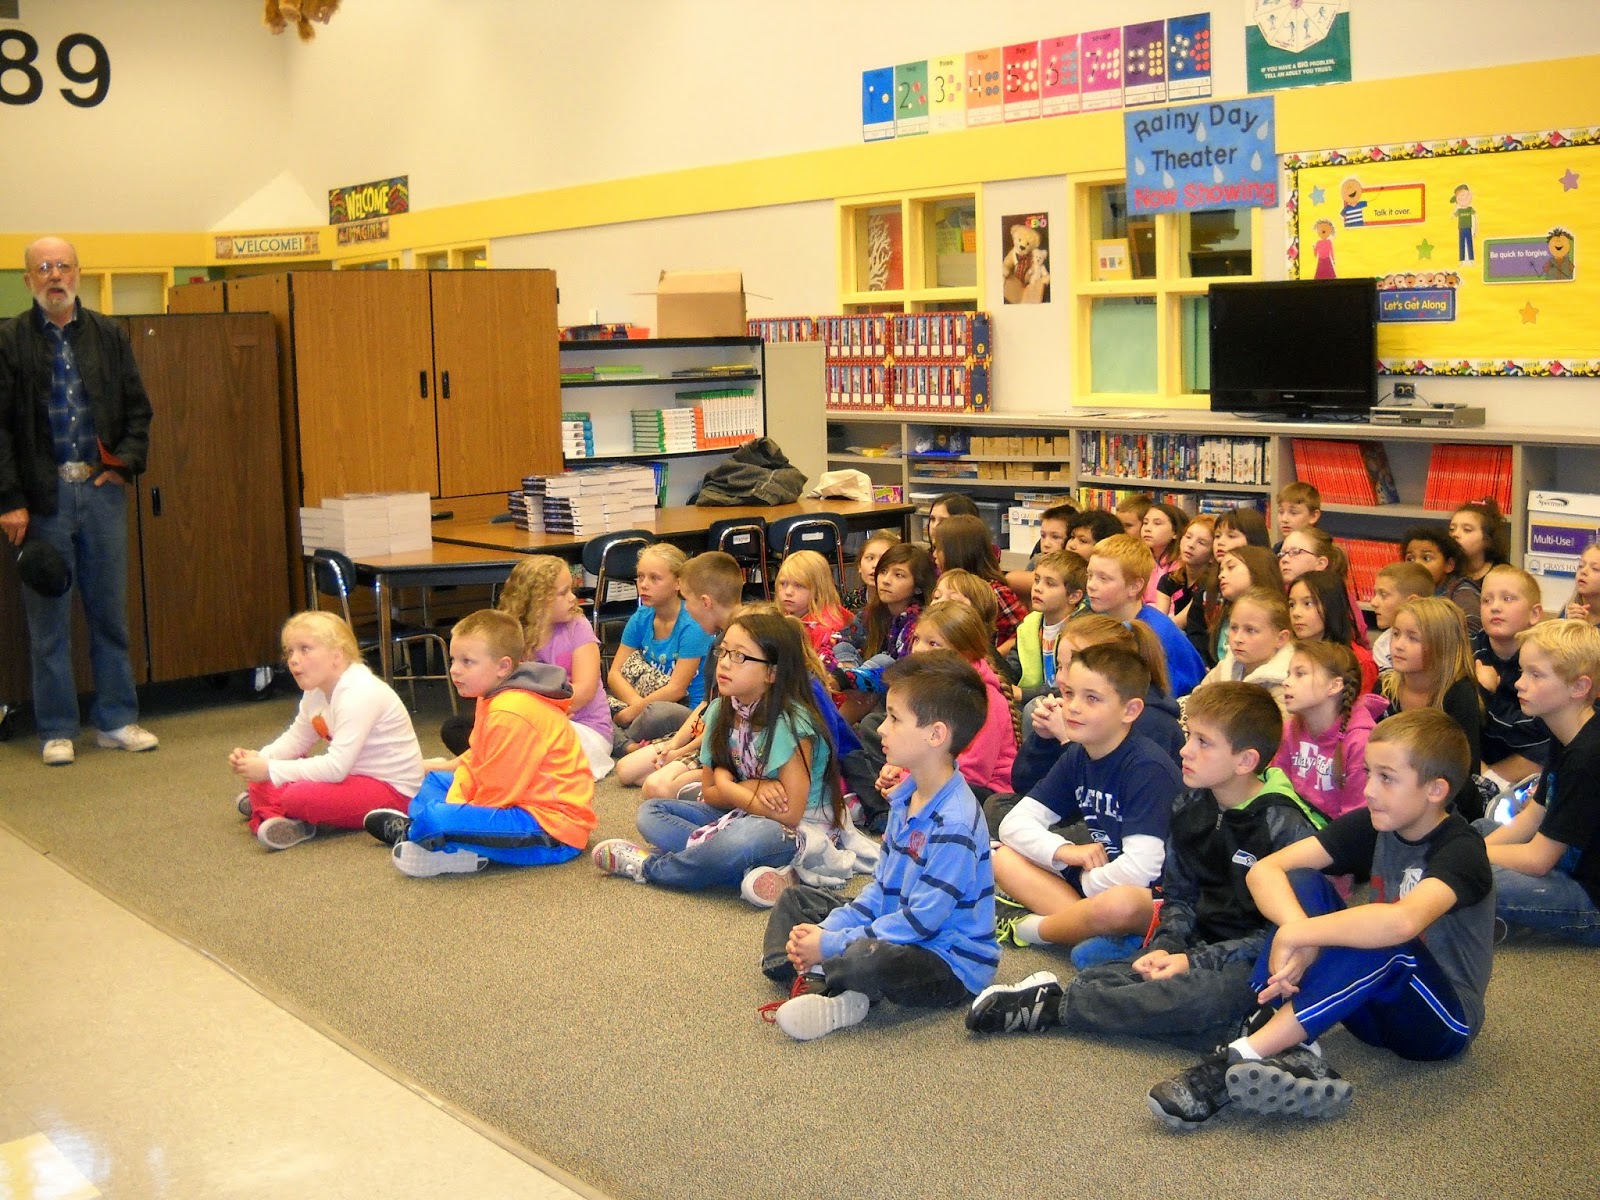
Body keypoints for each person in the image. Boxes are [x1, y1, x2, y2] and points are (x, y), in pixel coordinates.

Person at [1146, 709, 1491, 1130]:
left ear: (1436, 790)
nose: (1369, 790)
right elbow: (1266, 870)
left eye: (1387, 778)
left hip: (1439, 1023)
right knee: (1302, 882)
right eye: (1368, 773)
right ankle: (1285, 1038)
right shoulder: (1375, 823)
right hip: (1366, 1011)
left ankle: (1238, 1057)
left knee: (1383, 934)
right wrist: (1299, 930)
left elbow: (1402, 924)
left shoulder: (1463, 850)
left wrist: (1299, 932)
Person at [967, 683, 1324, 1048]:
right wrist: (1167, 947)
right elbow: (1180, 899)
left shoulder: (1283, 825)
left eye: (1203, 742)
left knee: (1203, 997)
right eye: (1189, 737)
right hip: (1197, 943)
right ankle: (1246, 1035)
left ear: (1246, 761)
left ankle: (1056, 1008)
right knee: (1104, 976)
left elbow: (1281, 934)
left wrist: (1192, 962)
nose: (1185, 750)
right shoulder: (1189, 805)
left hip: (1254, 960)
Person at [758, 651, 998, 1041]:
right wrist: (831, 927)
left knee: (868, 959)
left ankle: (828, 985)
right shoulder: (906, 796)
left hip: (946, 959)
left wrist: (832, 942)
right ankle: (816, 970)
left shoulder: (954, 822)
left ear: (936, 735)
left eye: (894, 718)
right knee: (795, 902)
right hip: (895, 922)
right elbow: (881, 891)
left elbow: (921, 923)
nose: (881, 729)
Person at [0, 237, 158, 766]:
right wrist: (10, 499)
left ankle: (116, 719)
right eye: (42, 268)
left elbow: (138, 411)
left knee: (109, 611)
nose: (54, 276)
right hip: (41, 500)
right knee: (48, 619)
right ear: (27, 281)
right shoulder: (10, 341)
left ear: (79, 274)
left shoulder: (109, 336)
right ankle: (57, 728)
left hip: (99, 491)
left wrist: (122, 465)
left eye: (63, 266)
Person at [591, 611, 845, 903]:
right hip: (741, 812)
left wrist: (730, 786)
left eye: (740, 656)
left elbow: (790, 814)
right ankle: (749, 868)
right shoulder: (719, 712)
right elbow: (711, 793)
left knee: (744, 838)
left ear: (772, 673)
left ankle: (652, 868)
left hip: (795, 829)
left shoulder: (789, 724)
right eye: (724, 651)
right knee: (651, 813)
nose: (724, 663)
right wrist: (743, 788)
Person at [368, 609, 597, 877]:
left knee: (436, 818)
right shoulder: (490, 695)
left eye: (467, 662)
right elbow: (476, 759)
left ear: (503, 666)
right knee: (435, 782)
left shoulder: (511, 711)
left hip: (552, 827)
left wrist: (455, 811)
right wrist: (458, 802)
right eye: (453, 659)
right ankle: (450, 845)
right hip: (516, 802)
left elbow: (498, 794)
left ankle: (415, 832)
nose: (455, 670)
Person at [990, 645, 1182, 958]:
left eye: (1091, 698)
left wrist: (1083, 879)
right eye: (1068, 694)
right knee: (1001, 857)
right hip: (1099, 878)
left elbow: (1142, 869)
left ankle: (1031, 929)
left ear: (1130, 710)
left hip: (1151, 896)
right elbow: (1015, 824)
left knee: (1118, 904)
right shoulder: (1080, 754)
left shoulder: (1146, 767)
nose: (1072, 708)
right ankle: (1093, 932)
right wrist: (1065, 852)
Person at [230, 611, 424, 851]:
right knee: (269, 772)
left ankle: (275, 812)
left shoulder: (359, 693)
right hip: (352, 777)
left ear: (337, 655)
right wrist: (259, 759)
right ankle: (280, 815)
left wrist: (270, 770)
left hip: (392, 791)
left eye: (305, 649)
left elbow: (335, 768)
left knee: (294, 795)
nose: (293, 660)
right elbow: (296, 739)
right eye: (289, 651)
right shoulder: (316, 689)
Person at [1480, 619, 1600, 945]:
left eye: (1536, 674)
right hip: (1560, 862)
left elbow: (1537, 860)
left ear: (1579, 687)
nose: (1519, 683)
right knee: (1477, 830)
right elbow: (1533, 815)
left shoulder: (1589, 755)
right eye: (1521, 672)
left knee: (1475, 873)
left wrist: (1469, 856)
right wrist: (1473, 848)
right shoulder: (1564, 731)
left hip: (1590, 897)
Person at [491, 555, 614, 779]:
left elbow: (583, 693)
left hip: (585, 728)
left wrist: (540, 715)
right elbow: (500, 688)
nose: (572, 598)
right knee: (471, 729)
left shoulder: (578, 626)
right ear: (538, 600)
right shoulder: (513, 634)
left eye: (571, 590)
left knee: (523, 747)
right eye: (563, 592)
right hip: (529, 722)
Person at [1381, 596, 1484, 819]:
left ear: (1441, 646)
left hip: (1448, 807)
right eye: (1396, 634)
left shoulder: (1459, 695)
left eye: (1413, 638)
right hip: (1391, 797)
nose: (1398, 645)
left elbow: (1464, 774)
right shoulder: (1384, 688)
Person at [607, 543, 715, 751]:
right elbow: (614, 673)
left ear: (678, 583)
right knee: (593, 701)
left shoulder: (692, 625)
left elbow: (676, 690)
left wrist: (633, 712)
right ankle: (629, 744)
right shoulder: (641, 617)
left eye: (654, 578)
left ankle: (620, 741)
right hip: (643, 704)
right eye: (640, 577)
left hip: (686, 710)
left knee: (657, 714)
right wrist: (637, 706)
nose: (644, 585)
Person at [1273, 641, 1387, 825]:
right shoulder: (1291, 728)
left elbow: (1355, 821)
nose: (1286, 682)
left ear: (1334, 686)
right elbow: (1277, 788)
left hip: (1336, 839)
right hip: (1294, 828)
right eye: (1288, 674)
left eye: (1300, 674)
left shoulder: (1360, 742)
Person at [1085, 533, 1207, 698]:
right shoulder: (1106, 620)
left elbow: (1163, 698)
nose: (1091, 585)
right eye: (1090, 575)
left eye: (1104, 579)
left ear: (1135, 586)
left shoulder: (1152, 634)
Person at [1473, 564, 1550, 791]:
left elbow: (1539, 731)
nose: (1495, 607)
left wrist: (1485, 694)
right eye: (1487, 600)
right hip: (1478, 757)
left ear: (1534, 614)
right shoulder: (1469, 653)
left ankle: (1489, 783)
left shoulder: (1546, 659)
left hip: (1527, 760)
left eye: (1507, 599)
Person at [932, 514, 1027, 654]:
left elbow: (1023, 635)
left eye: (938, 549)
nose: (934, 554)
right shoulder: (943, 586)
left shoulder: (995, 592)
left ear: (956, 552)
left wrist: (991, 658)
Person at [1008, 550, 1088, 709]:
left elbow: (1071, 685)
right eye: (1037, 580)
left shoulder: (1084, 629)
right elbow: (1012, 669)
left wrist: (1023, 694)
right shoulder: (1029, 625)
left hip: (1070, 703)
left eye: (1050, 583)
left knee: (1032, 708)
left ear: (1073, 596)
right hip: (1033, 700)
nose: (1038, 588)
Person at [1195, 586, 1295, 714]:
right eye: (1234, 628)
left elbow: (1277, 731)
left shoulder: (1286, 684)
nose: (1237, 638)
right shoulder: (1226, 667)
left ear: (1281, 639)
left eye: (1251, 630)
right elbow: (1196, 703)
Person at [1287, 569, 1378, 694]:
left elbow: (1363, 710)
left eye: (1307, 603)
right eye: (1292, 605)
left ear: (1332, 607)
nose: (1296, 613)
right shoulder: (1290, 653)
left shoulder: (1360, 661)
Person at [1404, 523, 1481, 635]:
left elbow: (1471, 634)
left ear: (1449, 565)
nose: (1416, 564)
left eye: (1426, 558)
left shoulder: (1462, 591)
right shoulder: (1407, 590)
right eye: (1410, 559)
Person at [775, 548, 851, 656]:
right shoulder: (782, 616)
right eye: (783, 583)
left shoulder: (826, 629)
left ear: (818, 589)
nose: (788, 592)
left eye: (799, 585)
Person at [1369, 560, 1435, 672]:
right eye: (1375, 594)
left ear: (1413, 601)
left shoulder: (1443, 639)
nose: (1373, 602)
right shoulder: (1382, 646)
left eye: (1383, 595)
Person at [1154, 512, 1213, 623]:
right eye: (1188, 537)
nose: (1190, 545)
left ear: (1212, 556)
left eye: (1201, 542)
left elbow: (1180, 622)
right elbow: (1160, 620)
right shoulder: (1168, 580)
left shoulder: (1210, 585)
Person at [1139, 502, 1189, 605]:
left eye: (1157, 523)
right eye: (1145, 523)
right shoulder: (1138, 559)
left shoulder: (1181, 565)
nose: (1147, 529)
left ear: (1175, 532)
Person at [841, 531, 898, 611]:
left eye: (883, 559)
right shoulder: (851, 600)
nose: (875, 565)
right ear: (859, 565)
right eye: (870, 558)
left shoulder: (900, 602)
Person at [1561, 541, 1600, 629]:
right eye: (1581, 566)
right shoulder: (1569, 610)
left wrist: (1584, 629)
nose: (1583, 571)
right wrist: (1567, 626)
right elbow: (1551, 641)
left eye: (1595, 568)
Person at [1275, 481, 1322, 550]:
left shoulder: (1320, 551)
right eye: (1281, 512)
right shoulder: (1277, 549)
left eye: (1293, 513)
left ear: (1313, 516)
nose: (1284, 519)